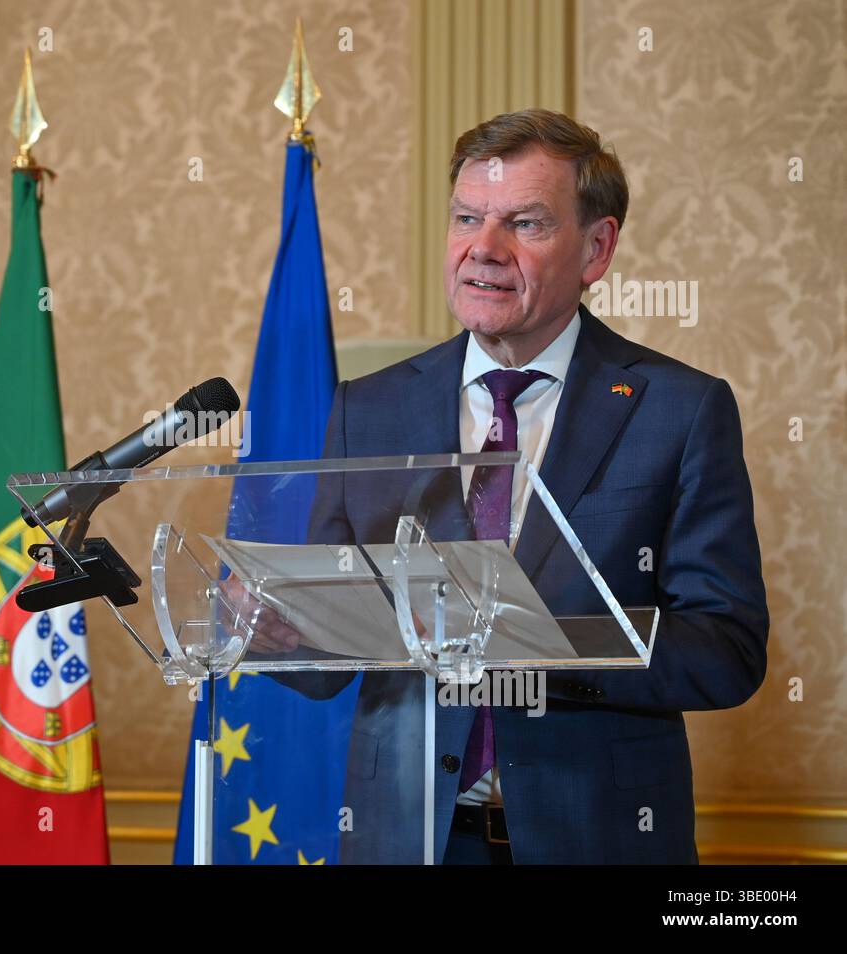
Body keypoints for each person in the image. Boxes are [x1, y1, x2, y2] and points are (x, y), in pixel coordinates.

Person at [252, 108, 768, 864]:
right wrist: (279, 634)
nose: (482, 250)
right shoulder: (370, 408)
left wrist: (528, 642)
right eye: (467, 218)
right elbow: (335, 650)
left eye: (524, 223)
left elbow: (725, 650)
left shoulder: (679, 411)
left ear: (597, 248)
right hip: (409, 836)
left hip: (596, 840)